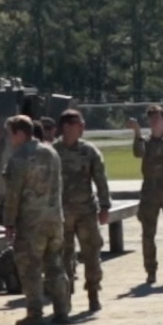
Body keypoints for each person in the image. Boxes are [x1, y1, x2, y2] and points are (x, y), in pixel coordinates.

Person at [3, 114, 70, 325]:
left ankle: (35, 313)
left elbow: (13, 194)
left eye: (11, 134)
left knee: (30, 267)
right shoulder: (51, 152)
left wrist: (9, 222)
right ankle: (62, 310)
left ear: (20, 133)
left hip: (31, 223)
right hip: (54, 219)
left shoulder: (19, 158)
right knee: (55, 266)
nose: (10, 139)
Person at [54, 109, 112, 313]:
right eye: (77, 125)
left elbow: (100, 180)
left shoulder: (89, 151)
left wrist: (105, 206)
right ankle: (65, 297)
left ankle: (93, 293)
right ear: (66, 127)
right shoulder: (52, 152)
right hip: (61, 215)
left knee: (92, 254)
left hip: (86, 211)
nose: (81, 128)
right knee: (63, 257)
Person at [127, 104, 163, 286]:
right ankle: (151, 271)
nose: (154, 122)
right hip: (149, 194)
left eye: (157, 118)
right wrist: (137, 132)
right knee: (148, 235)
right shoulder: (145, 142)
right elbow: (138, 153)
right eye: (151, 119)